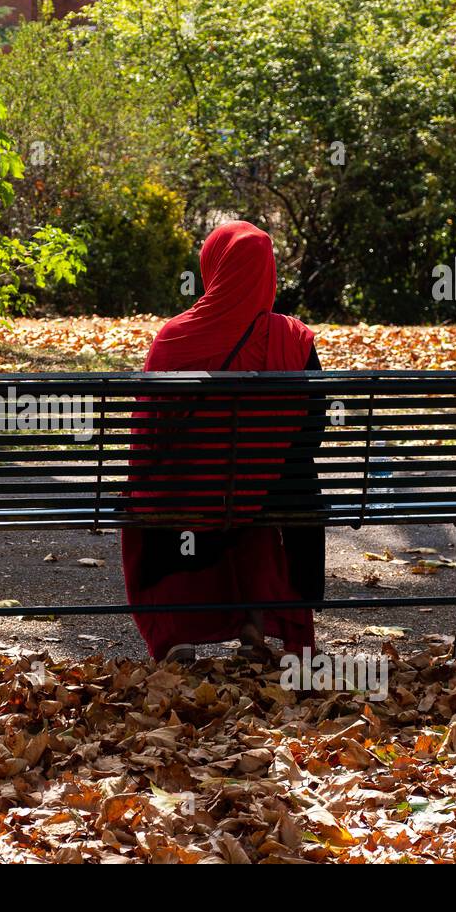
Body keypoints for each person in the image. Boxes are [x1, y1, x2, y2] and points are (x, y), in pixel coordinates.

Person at [120, 221, 325, 663]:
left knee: (157, 502)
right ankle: (255, 622)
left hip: (185, 492)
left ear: (215, 268)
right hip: (266, 497)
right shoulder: (294, 339)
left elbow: (147, 436)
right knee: (260, 501)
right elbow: (314, 431)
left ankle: (174, 635)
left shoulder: (173, 338)